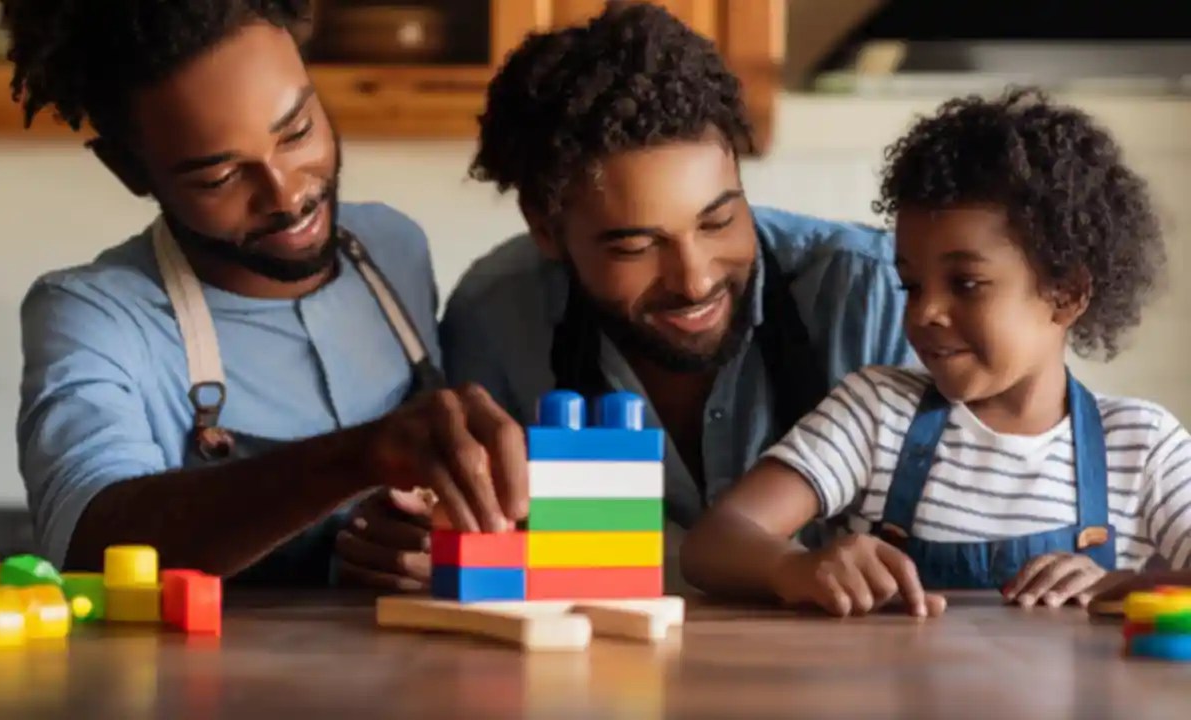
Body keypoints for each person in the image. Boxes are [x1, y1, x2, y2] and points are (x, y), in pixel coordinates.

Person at [5, 0, 526, 586]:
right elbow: (88, 541)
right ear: (129, 169)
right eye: (219, 178)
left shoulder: (393, 248)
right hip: (198, 679)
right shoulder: (96, 317)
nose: (285, 194)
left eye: (297, 131)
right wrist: (358, 457)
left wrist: (434, 542)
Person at [437, 3, 914, 585]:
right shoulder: (496, 320)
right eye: (636, 247)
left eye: (717, 222)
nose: (694, 280)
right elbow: (491, 554)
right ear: (545, 227)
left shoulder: (876, 297)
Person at [680, 88, 1185, 618]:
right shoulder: (876, 413)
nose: (924, 314)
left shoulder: (1142, 447)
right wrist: (794, 566)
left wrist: (1121, 584)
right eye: (912, 285)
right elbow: (714, 544)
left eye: (966, 284)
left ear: (1066, 294)